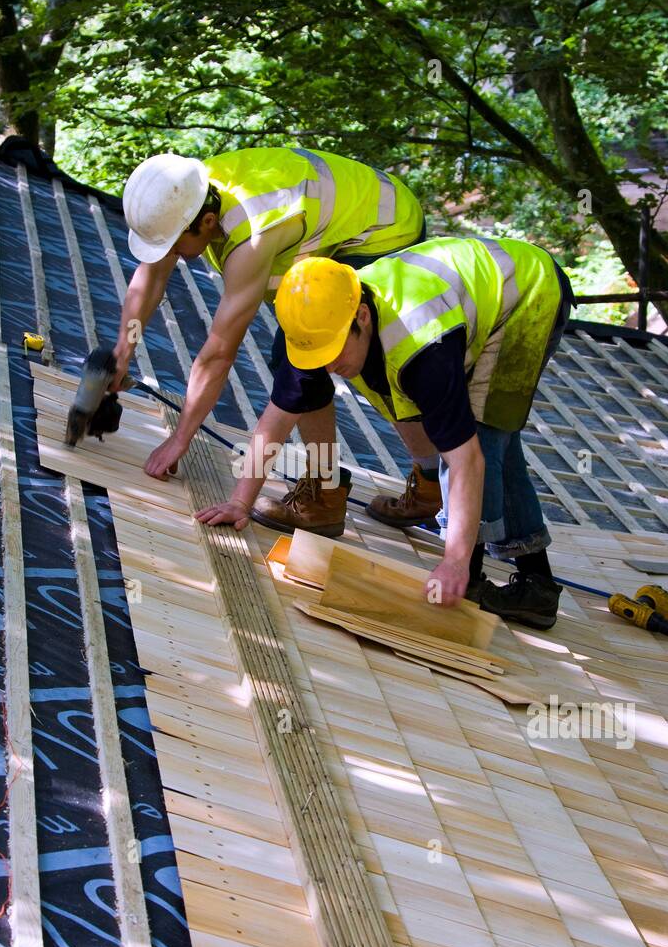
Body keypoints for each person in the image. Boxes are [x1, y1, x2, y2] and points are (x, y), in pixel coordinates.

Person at [195, 233, 575, 630]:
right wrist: (240, 502)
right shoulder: (315, 325)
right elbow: (275, 419)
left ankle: (470, 580)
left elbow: (466, 461)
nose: (326, 366)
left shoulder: (422, 346)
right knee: (490, 437)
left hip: (527, 292)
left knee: (486, 434)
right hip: (474, 295)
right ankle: (536, 585)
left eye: (333, 352)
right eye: (317, 356)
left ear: (361, 316)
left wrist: (453, 561)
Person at [112, 148, 428, 534]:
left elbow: (219, 352)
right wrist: (122, 353)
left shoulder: (253, 235)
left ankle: (418, 483)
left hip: (384, 232)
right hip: (340, 221)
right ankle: (327, 487)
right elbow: (150, 280)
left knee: (328, 358)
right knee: (294, 360)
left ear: (207, 222)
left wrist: (181, 439)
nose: (170, 256)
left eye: (174, 246)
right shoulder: (186, 197)